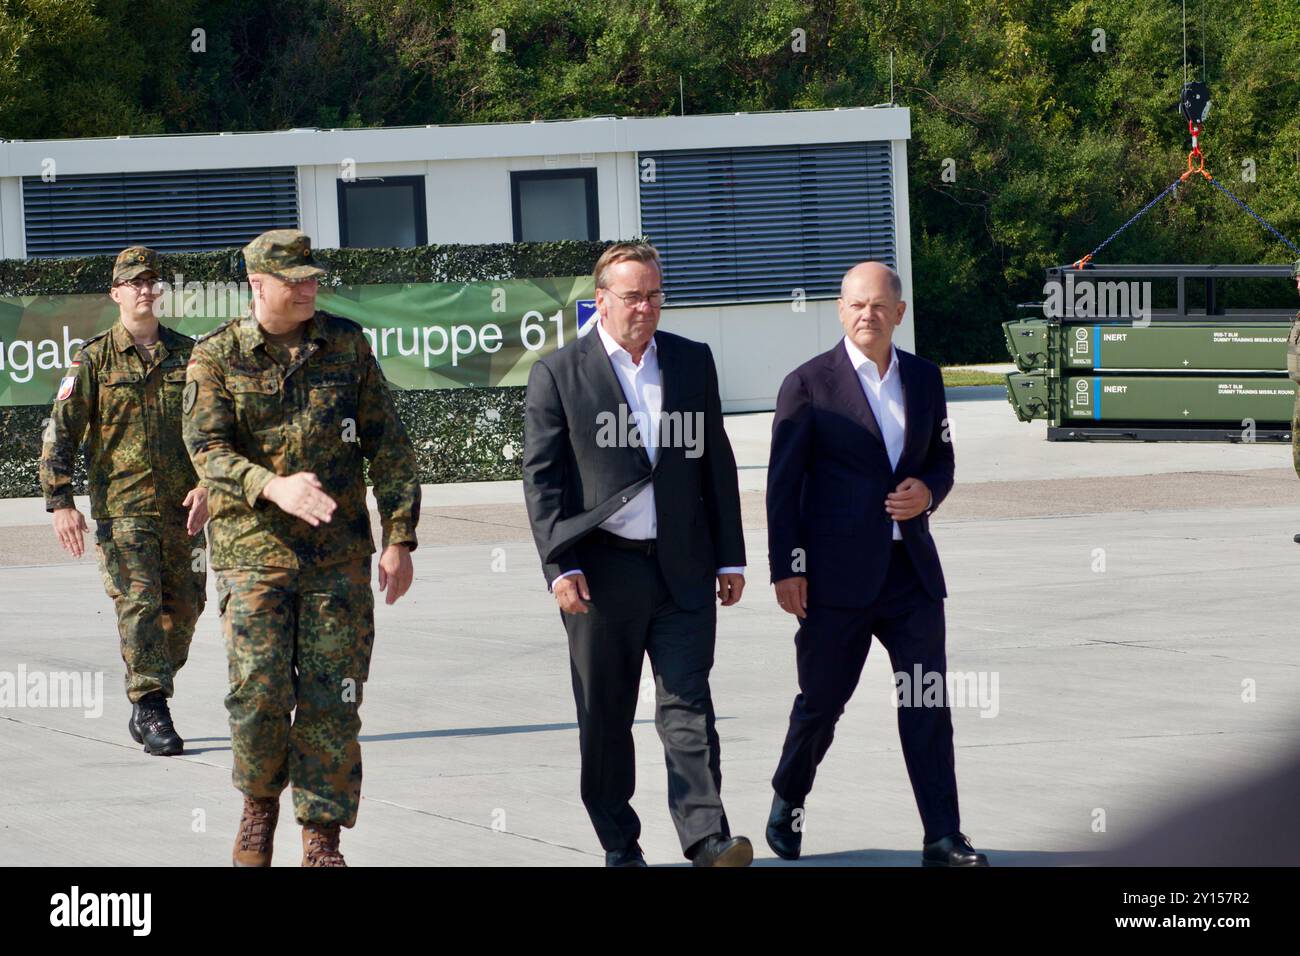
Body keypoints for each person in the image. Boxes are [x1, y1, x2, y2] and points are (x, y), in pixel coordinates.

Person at [183, 229, 420, 867]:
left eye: (313, 278)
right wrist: (272, 487)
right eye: (296, 280)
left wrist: (400, 535)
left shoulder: (345, 345)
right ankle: (259, 806)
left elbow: (388, 445)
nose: (310, 288)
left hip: (338, 559)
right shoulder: (216, 357)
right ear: (258, 283)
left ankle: (322, 839)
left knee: (333, 698)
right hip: (251, 554)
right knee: (259, 695)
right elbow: (207, 450)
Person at [522, 241, 752, 867]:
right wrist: (558, 566)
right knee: (606, 718)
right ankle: (620, 844)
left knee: (687, 705)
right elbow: (542, 482)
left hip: (683, 567)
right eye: (632, 296)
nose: (645, 307)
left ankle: (707, 838)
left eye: (654, 294)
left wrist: (730, 557)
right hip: (600, 570)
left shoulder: (690, 361)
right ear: (602, 301)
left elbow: (717, 464)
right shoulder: (558, 373)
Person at [763, 261, 988, 866]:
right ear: (841, 310)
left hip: (909, 574)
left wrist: (928, 493)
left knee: (926, 703)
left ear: (899, 313)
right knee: (821, 702)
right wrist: (787, 568)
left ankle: (942, 835)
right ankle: (789, 794)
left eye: (880, 305)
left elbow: (941, 459)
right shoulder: (807, 384)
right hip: (833, 581)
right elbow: (782, 489)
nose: (868, 314)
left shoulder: (924, 377)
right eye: (857, 305)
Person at [40, 246, 207, 756]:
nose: (143, 289)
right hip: (124, 508)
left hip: (186, 509)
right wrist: (60, 500)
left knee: (186, 608)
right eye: (133, 282)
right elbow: (60, 433)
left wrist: (210, 484)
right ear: (116, 293)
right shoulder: (93, 359)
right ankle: (152, 704)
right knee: (139, 605)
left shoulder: (190, 354)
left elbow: (215, 428)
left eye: (150, 281)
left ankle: (147, 691)